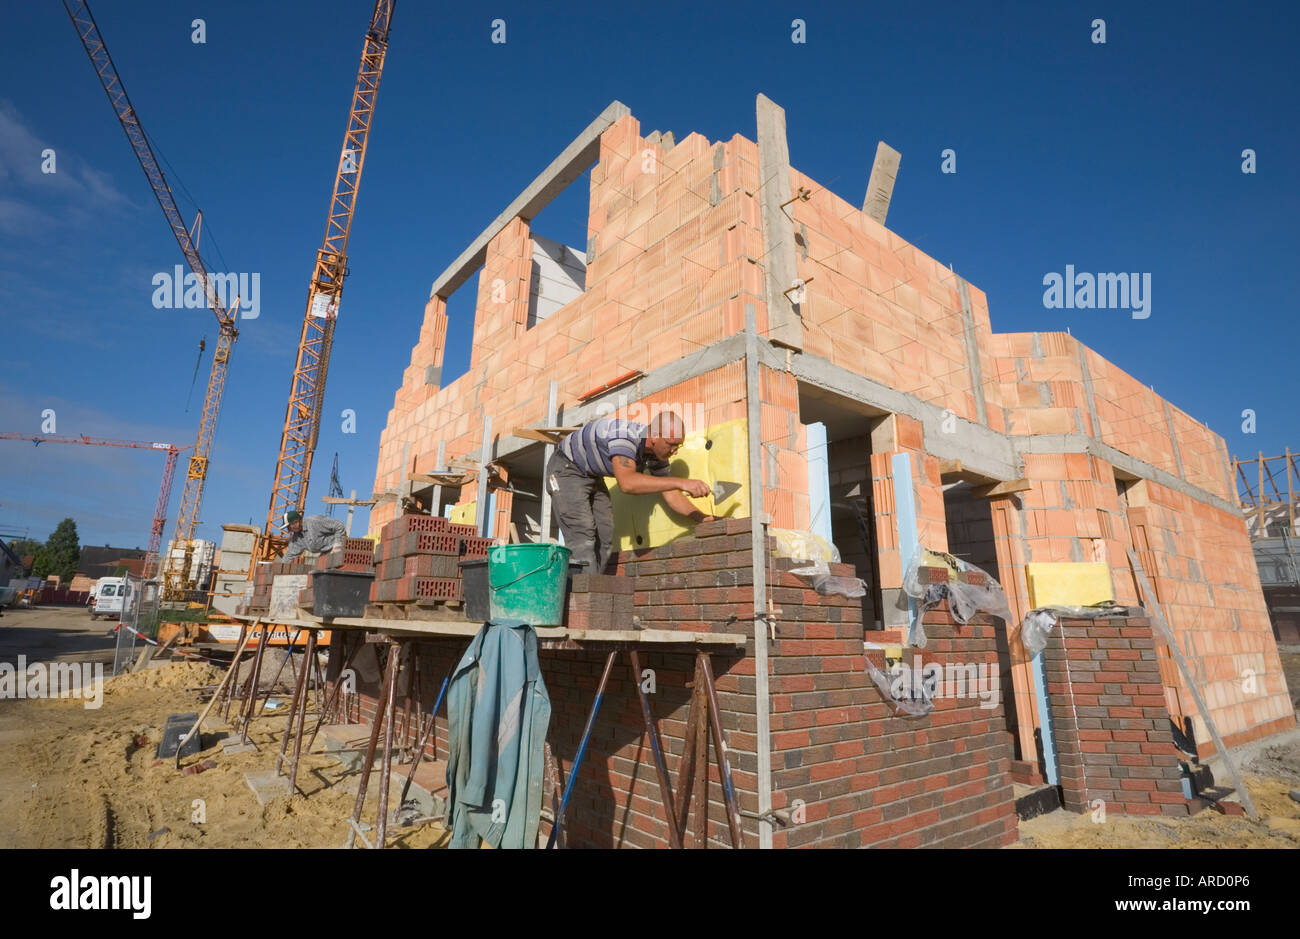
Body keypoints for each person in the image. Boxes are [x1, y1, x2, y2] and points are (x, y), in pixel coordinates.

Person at [546, 411, 717, 573]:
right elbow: (627, 484)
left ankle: (592, 588)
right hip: (566, 469)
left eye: (678, 445)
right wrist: (683, 483)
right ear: (655, 436)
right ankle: (578, 597)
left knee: (605, 533)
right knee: (582, 534)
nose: (675, 451)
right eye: (672, 444)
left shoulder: (657, 456)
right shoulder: (625, 437)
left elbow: (671, 493)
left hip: (592, 474)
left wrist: (703, 518)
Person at [281, 510, 346, 560]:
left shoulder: (314, 522)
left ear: (296, 522)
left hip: (340, 548)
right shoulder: (297, 538)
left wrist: (338, 545)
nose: (288, 530)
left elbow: (339, 525)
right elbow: (289, 555)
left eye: (289, 527)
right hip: (326, 552)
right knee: (319, 568)